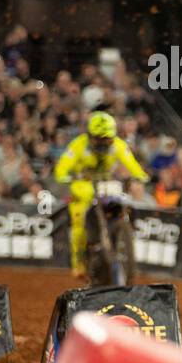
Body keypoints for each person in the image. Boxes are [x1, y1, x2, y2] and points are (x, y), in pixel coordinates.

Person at [53, 111, 149, 278]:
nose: (104, 143)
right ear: (90, 135)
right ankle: (79, 264)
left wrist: (141, 176)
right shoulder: (78, 145)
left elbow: (131, 163)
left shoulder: (118, 145)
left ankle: (122, 234)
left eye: (107, 138)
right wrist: (67, 176)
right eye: (99, 138)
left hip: (106, 184)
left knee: (124, 202)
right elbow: (61, 168)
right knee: (79, 222)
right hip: (82, 186)